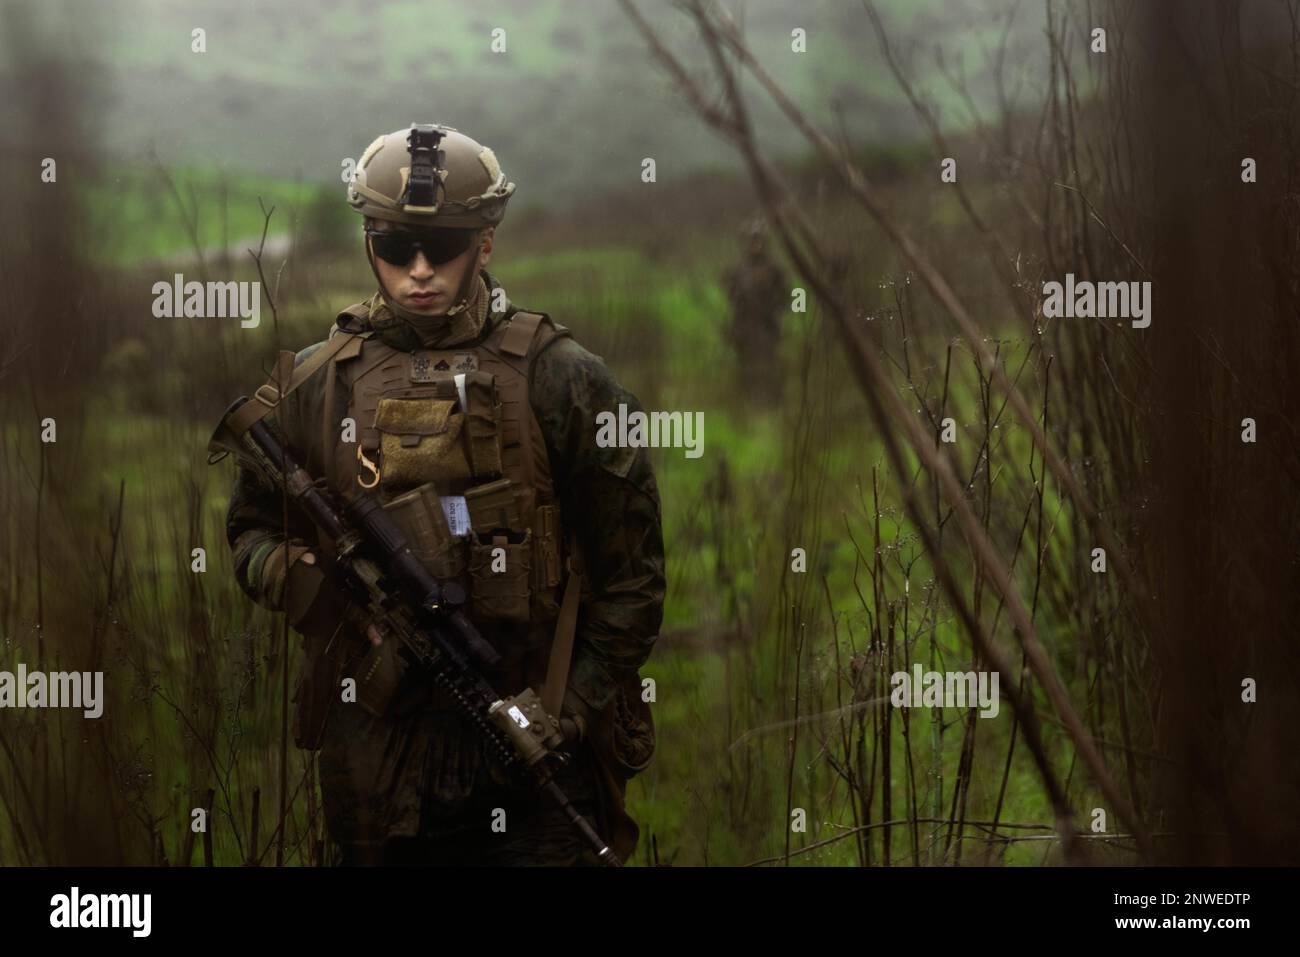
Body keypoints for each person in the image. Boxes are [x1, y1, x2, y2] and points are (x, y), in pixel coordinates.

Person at [211, 124, 665, 866]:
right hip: (377, 763)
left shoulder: (565, 379)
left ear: (485, 242)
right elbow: (251, 531)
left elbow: (633, 580)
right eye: (395, 248)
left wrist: (570, 712)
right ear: (369, 245)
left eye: (443, 245)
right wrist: (317, 588)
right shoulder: (318, 384)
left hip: (533, 754)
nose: (418, 270)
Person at [722, 219, 788, 402]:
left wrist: (783, 310)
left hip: (767, 324)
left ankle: (772, 399)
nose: (755, 245)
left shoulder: (774, 268)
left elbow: (789, 294)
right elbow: (730, 295)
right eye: (752, 241)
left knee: (769, 362)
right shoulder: (739, 269)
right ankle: (746, 400)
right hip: (744, 324)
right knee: (746, 363)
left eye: (759, 241)